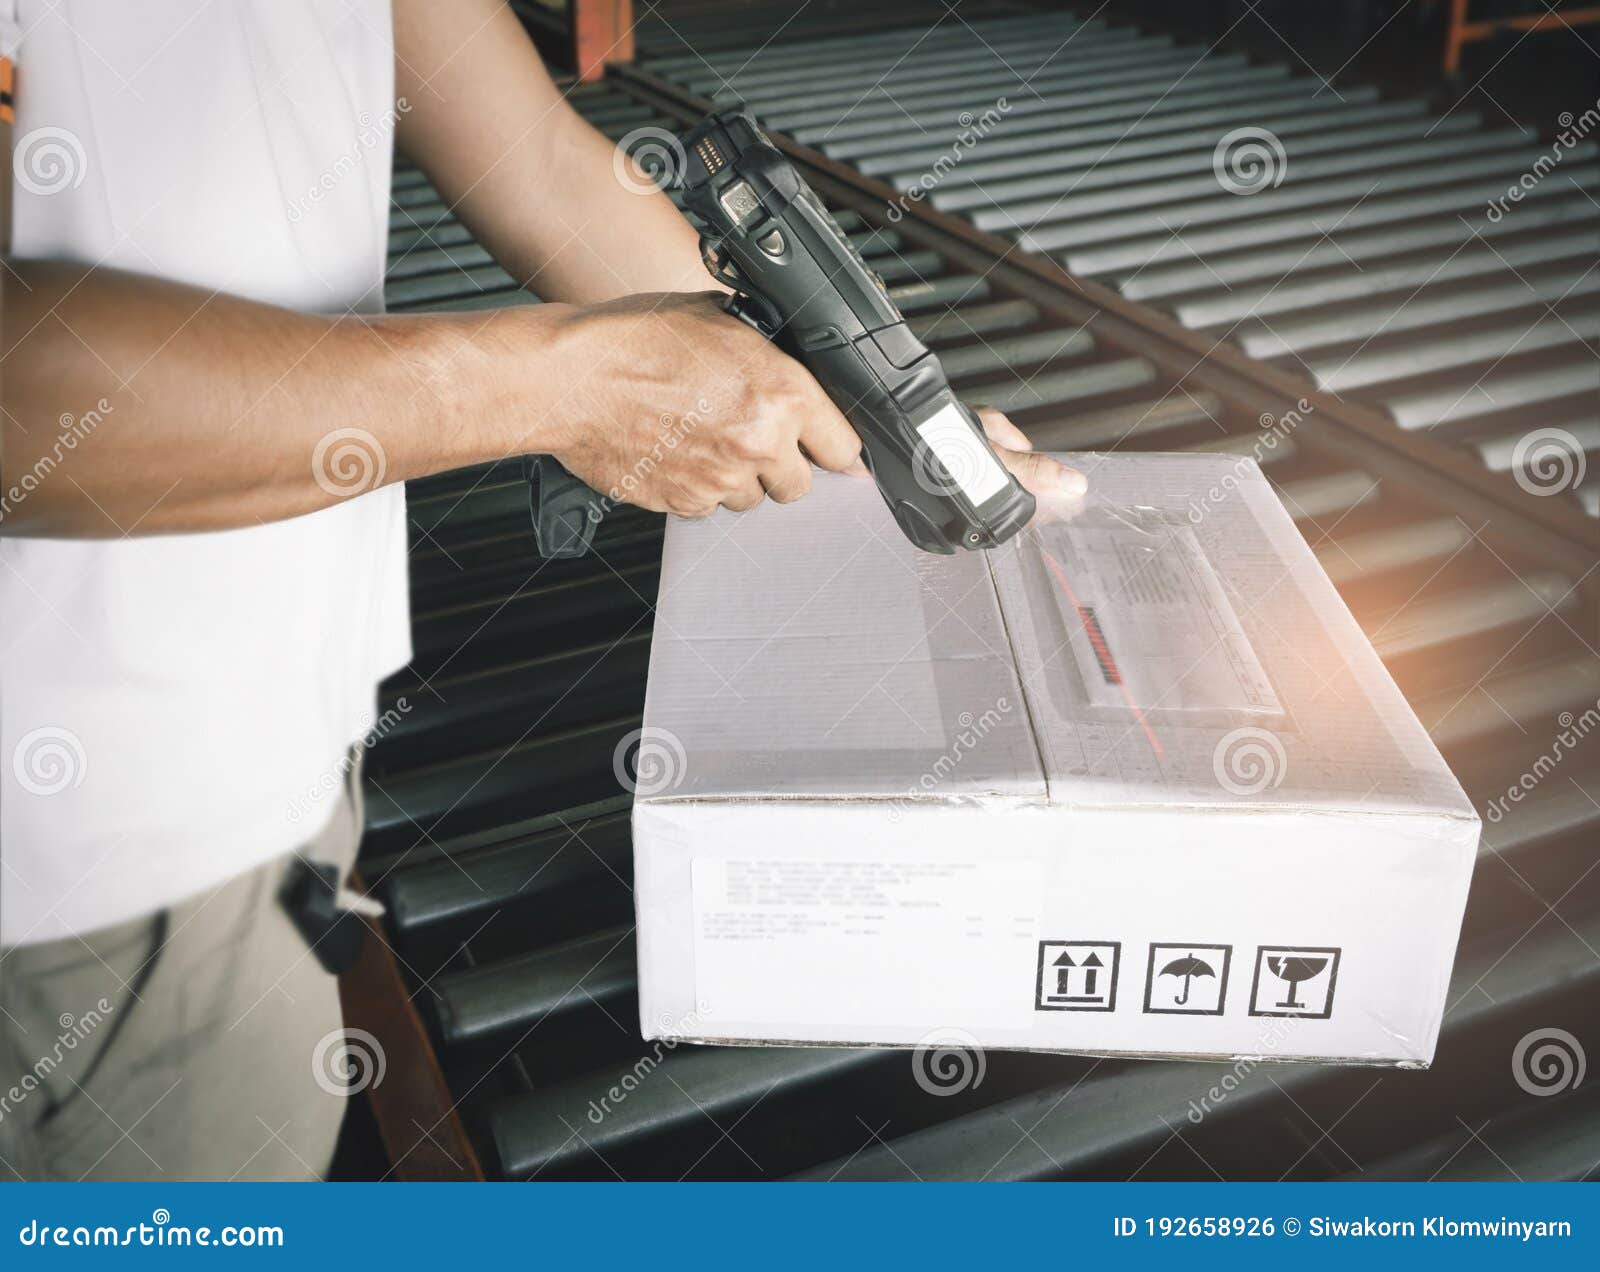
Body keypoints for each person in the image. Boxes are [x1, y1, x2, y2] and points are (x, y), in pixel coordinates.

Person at [0, 0, 1079, 1182]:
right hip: (76, 872)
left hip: (276, 779)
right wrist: (560, 388)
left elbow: (539, 160)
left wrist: (858, 407)